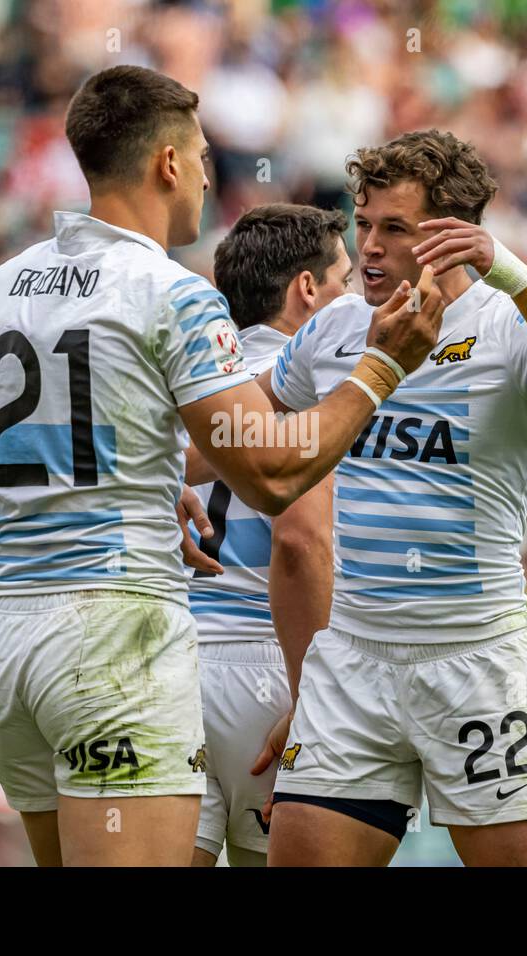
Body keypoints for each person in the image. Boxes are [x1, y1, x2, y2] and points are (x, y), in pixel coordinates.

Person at [0, 66, 446, 866]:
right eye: (204, 157)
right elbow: (272, 478)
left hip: (6, 647)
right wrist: (380, 370)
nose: (210, 176)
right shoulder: (170, 292)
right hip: (115, 637)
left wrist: (138, 471)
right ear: (168, 163)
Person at [251, 129, 527, 865]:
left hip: (476, 660)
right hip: (353, 663)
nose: (366, 248)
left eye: (393, 229)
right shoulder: (333, 329)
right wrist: (159, 480)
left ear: (454, 236)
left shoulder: (509, 326)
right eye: (362, 224)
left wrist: (522, 279)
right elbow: (228, 442)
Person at [187, 204, 351, 866]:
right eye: (345, 283)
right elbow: (301, 543)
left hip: (174, 660)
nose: (356, 303)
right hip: (276, 667)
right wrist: (314, 692)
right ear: (306, 290)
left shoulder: (190, 384)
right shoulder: (320, 380)